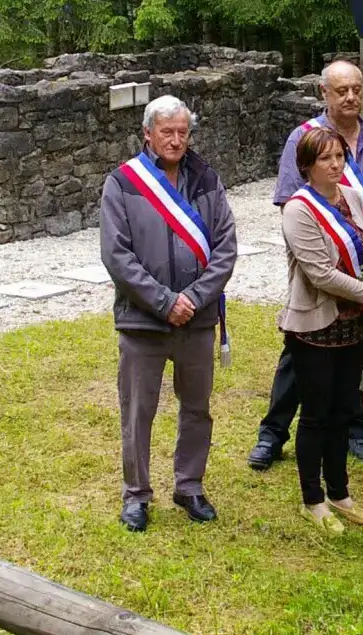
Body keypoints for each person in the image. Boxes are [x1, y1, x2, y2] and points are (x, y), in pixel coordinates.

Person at [248, 59, 363, 471]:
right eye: (341, 90)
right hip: (319, 259)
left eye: (356, 89)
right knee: (302, 349)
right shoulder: (303, 138)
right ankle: (273, 432)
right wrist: (320, 256)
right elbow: (289, 202)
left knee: (354, 345)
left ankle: (356, 429)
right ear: (324, 93)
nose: (350, 97)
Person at [100, 95, 238, 533]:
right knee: (138, 412)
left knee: (197, 408)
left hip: (196, 320)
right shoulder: (122, 183)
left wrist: (192, 299)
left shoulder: (207, 179)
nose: (176, 140)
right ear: (148, 133)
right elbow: (117, 256)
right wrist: (164, 302)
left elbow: (226, 248)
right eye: (167, 132)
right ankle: (136, 495)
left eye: (183, 132)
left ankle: (189, 486)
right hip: (143, 322)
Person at [279, 126, 363, 534]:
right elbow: (320, 273)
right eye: (325, 158)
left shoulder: (352, 198)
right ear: (307, 165)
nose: (335, 164)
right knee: (316, 416)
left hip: (353, 325)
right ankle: (313, 499)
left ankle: (340, 493)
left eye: (339, 156)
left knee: (344, 411)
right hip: (315, 327)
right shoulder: (298, 210)